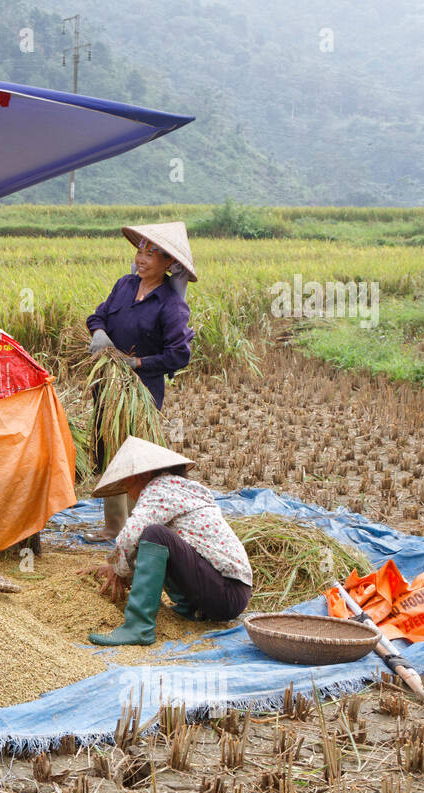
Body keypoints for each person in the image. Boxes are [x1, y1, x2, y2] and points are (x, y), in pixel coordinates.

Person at [82, 436, 252, 647]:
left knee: (155, 535)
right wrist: (119, 566)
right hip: (225, 594)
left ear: (142, 474)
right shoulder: (177, 488)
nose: (131, 495)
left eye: (128, 487)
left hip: (226, 593)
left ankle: (138, 627)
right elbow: (139, 551)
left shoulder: (160, 489)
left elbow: (130, 535)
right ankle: (189, 609)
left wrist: (116, 568)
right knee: (155, 541)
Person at [85, 222, 197, 539]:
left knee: (137, 457)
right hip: (108, 384)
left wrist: (136, 362)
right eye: (140, 250)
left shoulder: (171, 304)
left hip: (142, 391)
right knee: (108, 448)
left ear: (169, 263)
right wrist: (99, 332)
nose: (142, 258)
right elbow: (98, 315)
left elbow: (179, 354)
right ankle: (113, 526)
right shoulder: (124, 285)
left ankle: (139, 528)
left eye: (152, 252)